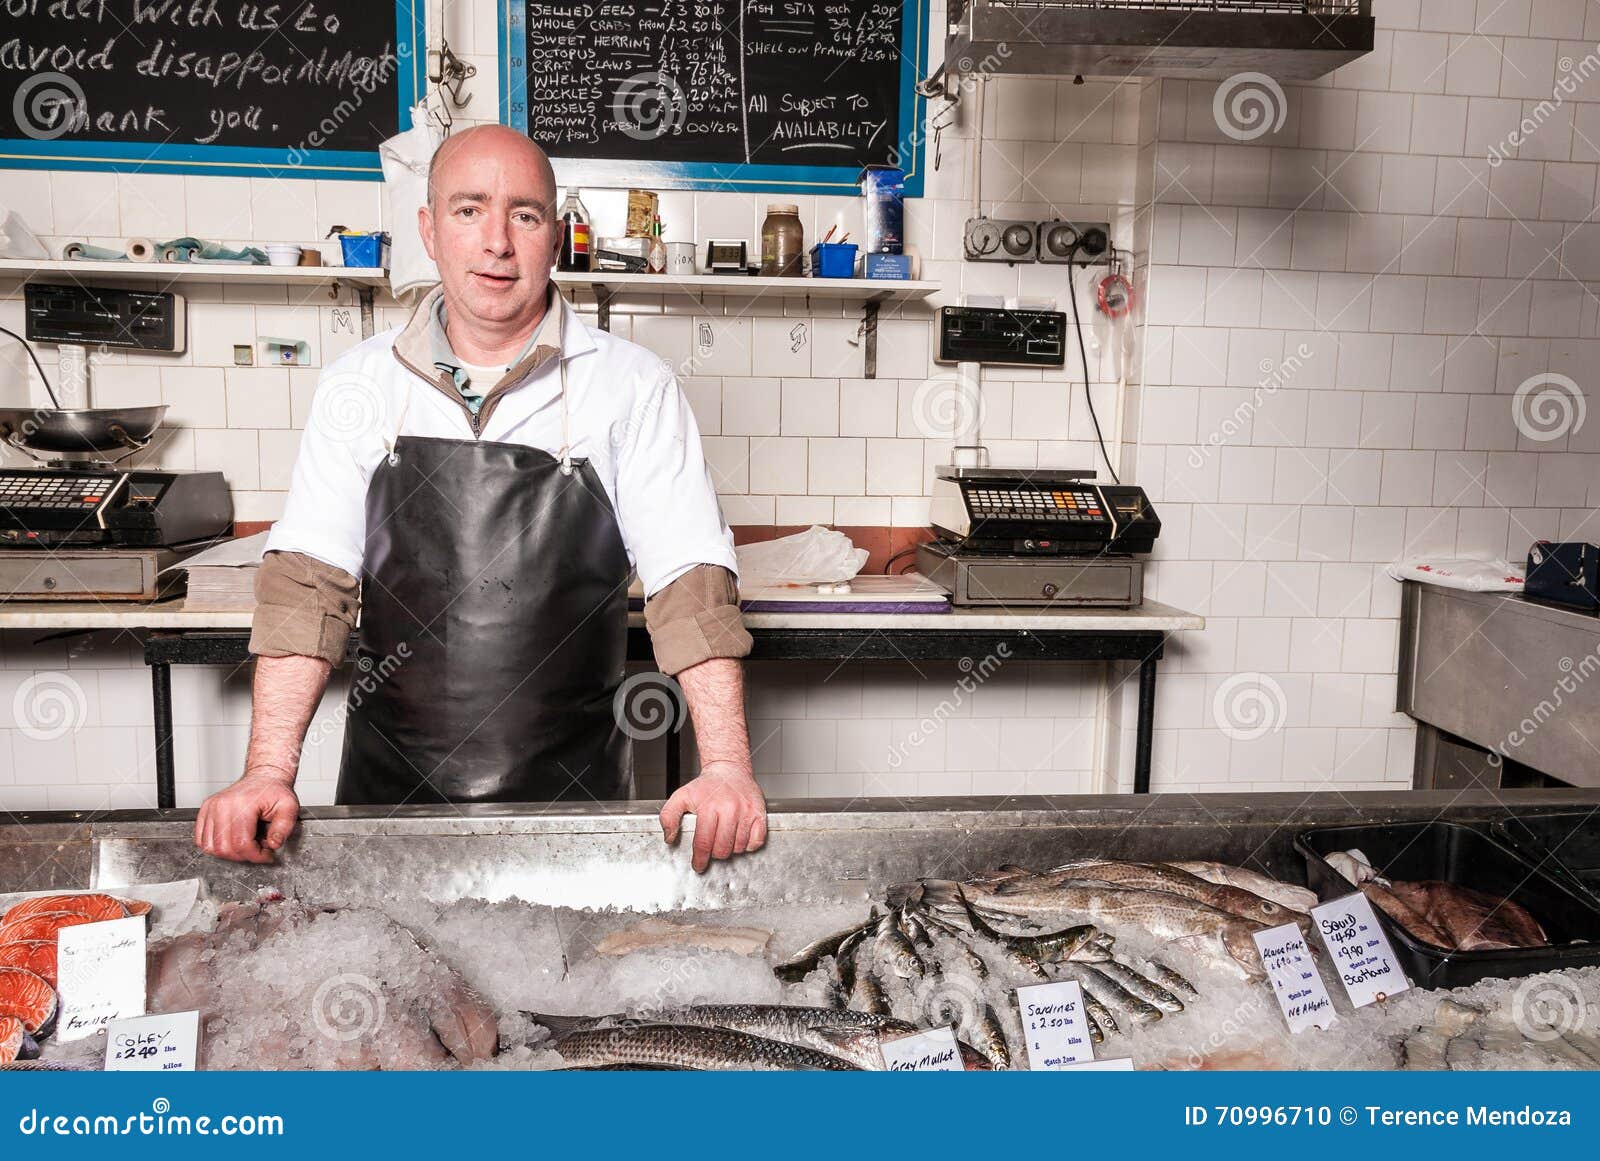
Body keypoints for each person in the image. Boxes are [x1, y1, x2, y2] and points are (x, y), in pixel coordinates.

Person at [195, 125, 765, 873]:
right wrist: (269, 769)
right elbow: (308, 588)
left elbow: (691, 584)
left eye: (524, 214)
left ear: (555, 236)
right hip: (386, 806)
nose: (497, 241)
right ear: (428, 230)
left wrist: (726, 763)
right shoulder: (359, 387)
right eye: (468, 210)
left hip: (574, 809)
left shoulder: (631, 384)